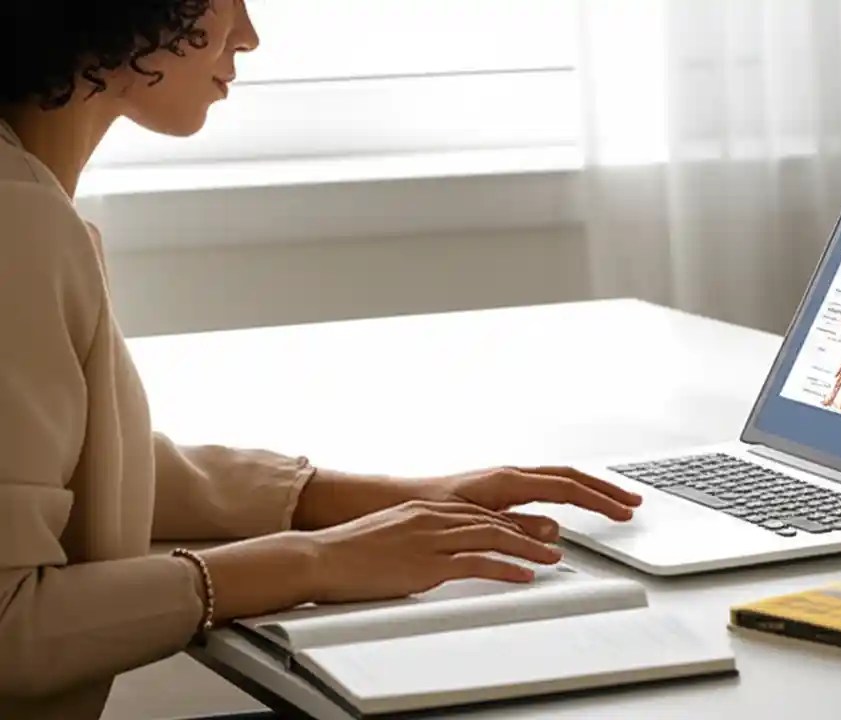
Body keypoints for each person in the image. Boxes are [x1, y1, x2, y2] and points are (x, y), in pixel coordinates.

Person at [0, 2, 642, 718]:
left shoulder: (26, 197)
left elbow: (84, 462)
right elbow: (9, 628)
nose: (248, 34)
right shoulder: (15, 225)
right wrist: (318, 562)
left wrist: (376, 497)